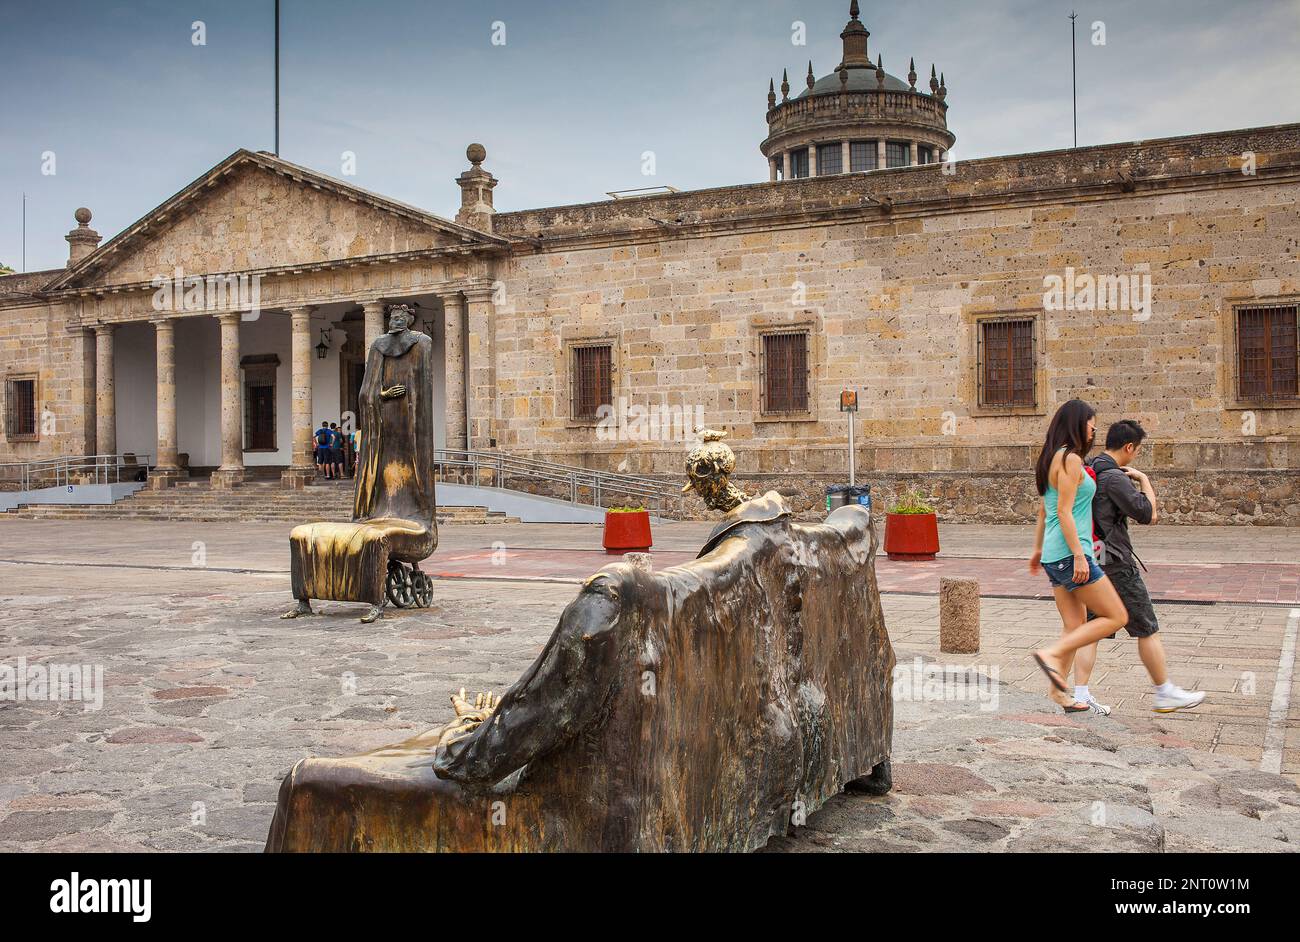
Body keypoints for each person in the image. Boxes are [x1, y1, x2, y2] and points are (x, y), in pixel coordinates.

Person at [1071, 420, 1205, 714]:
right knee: (1146, 626)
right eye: (1137, 451)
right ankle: (1164, 692)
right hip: (1117, 564)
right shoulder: (1116, 478)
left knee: (1093, 628)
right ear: (1129, 447)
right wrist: (1144, 480)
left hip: (1094, 559)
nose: (1135, 457)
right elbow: (1148, 515)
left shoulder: (1089, 469)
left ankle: (1079, 695)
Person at [1028, 399, 1129, 714]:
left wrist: (1037, 549)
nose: (1094, 429)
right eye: (1090, 423)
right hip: (1072, 553)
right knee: (1116, 616)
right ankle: (1051, 654)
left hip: (1054, 552)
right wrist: (1080, 557)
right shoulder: (1070, 460)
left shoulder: (1050, 457)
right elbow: (1063, 511)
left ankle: (1059, 693)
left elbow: (1045, 509)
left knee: (1075, 624)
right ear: (1076, 423)